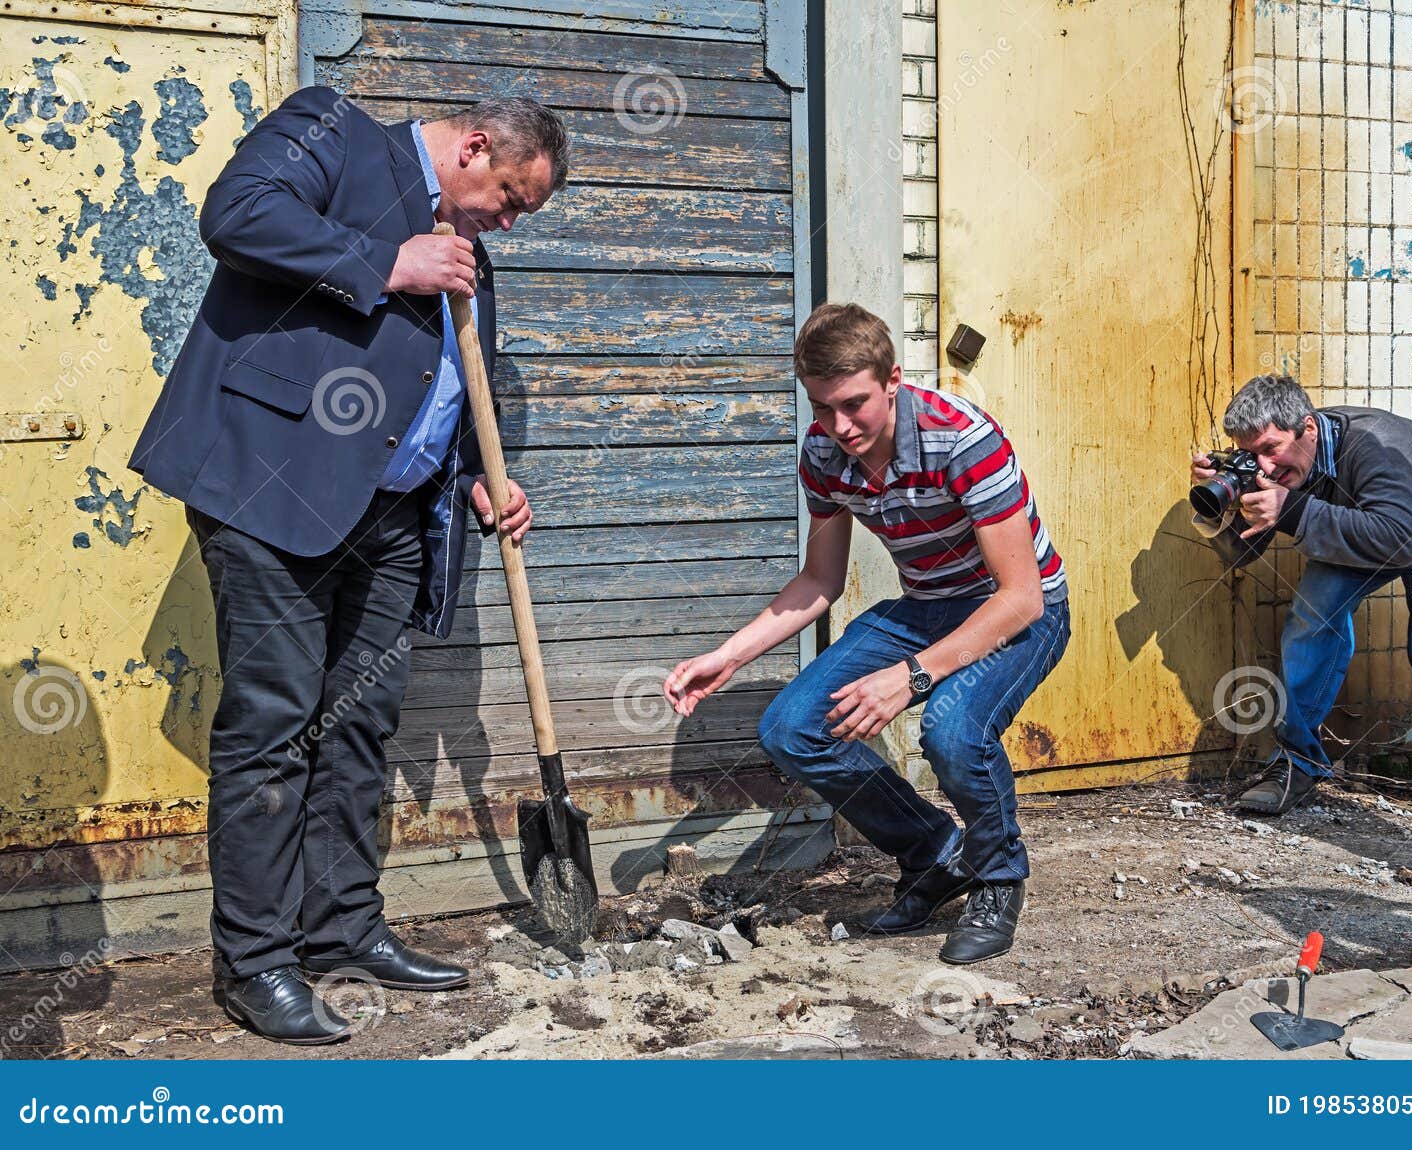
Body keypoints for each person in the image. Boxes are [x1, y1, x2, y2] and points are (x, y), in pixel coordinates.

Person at [127, 86, 567, 1043]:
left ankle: (341, 927)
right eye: (513, 198)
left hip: (391, 521)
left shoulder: (465, 255)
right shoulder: (336, 135)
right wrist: (386, 259)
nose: (511, 221)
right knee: (272, 730)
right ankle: (255, 963)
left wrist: (476, 481)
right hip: (271, 494)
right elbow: (236, 214)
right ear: (477, 146)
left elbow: (440, 390)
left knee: (361, 724)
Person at [663, 303, 1070, 965]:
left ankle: (998, 876)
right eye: (821, 408)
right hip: (927, 606)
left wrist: (910, 676)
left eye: (854, 405)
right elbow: (820, 581)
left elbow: (1019, 597)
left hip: (1021, 609)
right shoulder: (824, 454)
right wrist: (727, 657)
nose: (839, 426)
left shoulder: (961, 438)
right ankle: (936, 853)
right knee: (793, 728)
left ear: (893, 381)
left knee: (951, 729)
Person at [1193, 375, 1412, 826]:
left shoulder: (1373, 448)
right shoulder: (1280, 464)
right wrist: (1220, 506)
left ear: (1308, 429)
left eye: (1271, 449)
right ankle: (1296, 766)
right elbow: (1243, 553)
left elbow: (1399, 541)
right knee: (1312, 617)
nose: (1265, 467)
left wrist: (1290, 509)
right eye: (1252, 455)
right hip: (1369, 526)